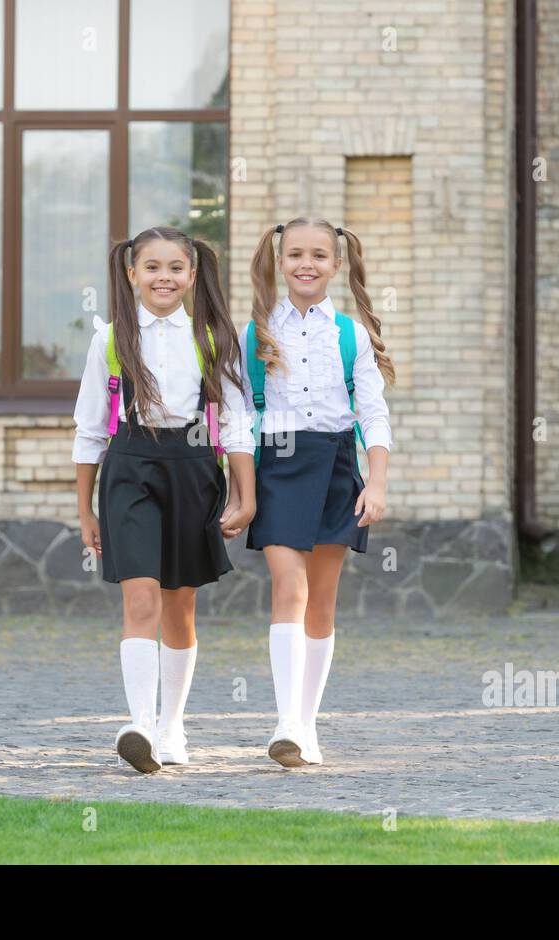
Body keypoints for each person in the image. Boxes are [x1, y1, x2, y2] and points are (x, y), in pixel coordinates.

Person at [72, 226, 255, 774]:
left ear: (192, 275)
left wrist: (245, 495)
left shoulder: (214, 337)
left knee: (180, 603)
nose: (164, 277)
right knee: (141, 600)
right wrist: (85, 509)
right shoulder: (108, 339)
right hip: (129, 467)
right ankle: (140, 724)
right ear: (132, 274)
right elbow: (87, 430)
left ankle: (171, 726)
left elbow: (240, 422)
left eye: (175, 267)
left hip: (195, 466)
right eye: (152, 267)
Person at [242, 216, 394, 767]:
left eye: (319, 256)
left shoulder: (350, 334)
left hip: (336, 467)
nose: (307, 264)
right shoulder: (256, 332)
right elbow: (238, 418)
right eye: (295, 255)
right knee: (289, 587)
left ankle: (306, 726)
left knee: (322, 601)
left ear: (336, 263)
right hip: (277, 465)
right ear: (280, 262)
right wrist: (242, 492)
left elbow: (372, 414)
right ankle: (284, 721)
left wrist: (375, 482)